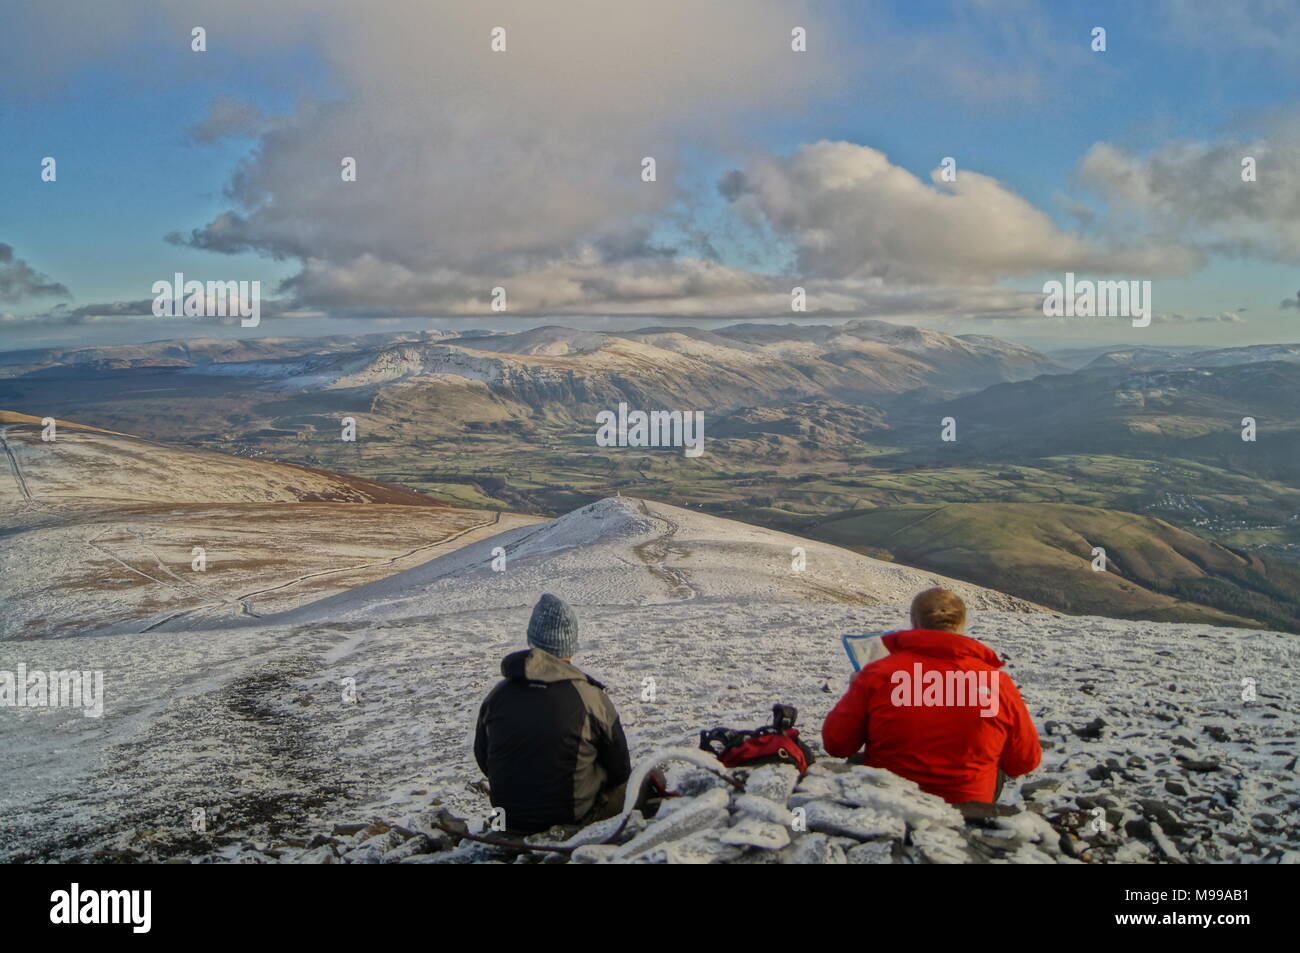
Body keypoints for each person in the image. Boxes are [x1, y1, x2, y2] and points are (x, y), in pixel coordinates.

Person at [821, 587, 1041, 804]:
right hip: (967, 809)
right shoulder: (996, 682)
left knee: (859, 761)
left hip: (892, 805)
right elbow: (1024, 762)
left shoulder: (878, 673)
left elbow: (837, 745)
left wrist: (856, 690)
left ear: (915, 623)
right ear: (962, 624)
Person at [473, 593, 635, 834]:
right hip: (572, 819)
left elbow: (484, 759)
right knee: (640, 783)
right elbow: (620, 769)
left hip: (510, 820)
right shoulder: (590, 698)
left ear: (532, 639)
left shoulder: (498, 695)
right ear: (570, 643)